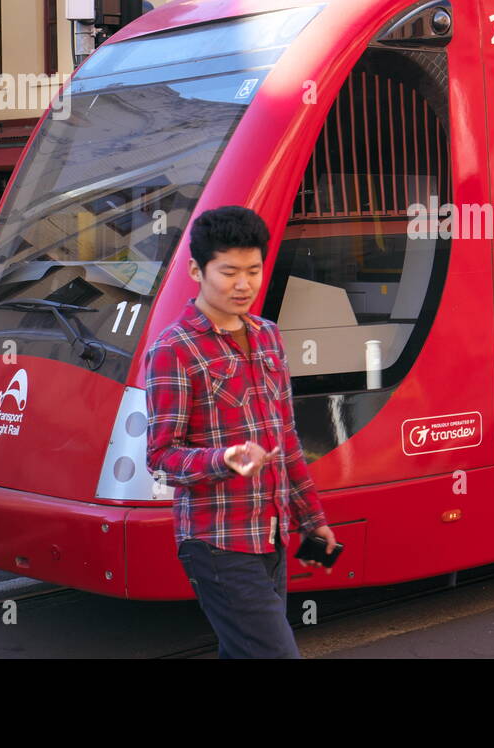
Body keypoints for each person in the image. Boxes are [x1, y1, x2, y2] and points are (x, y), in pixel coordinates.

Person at [146, 206, 337, 659]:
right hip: (216, 542)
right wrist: (223, 459)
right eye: (229, 271)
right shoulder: (173, 349)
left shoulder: (269, 336)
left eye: (253, 270)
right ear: (197, 269)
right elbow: (161, 457)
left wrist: (312, 519)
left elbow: (286, 439)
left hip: (270, 535)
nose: (244, 283)